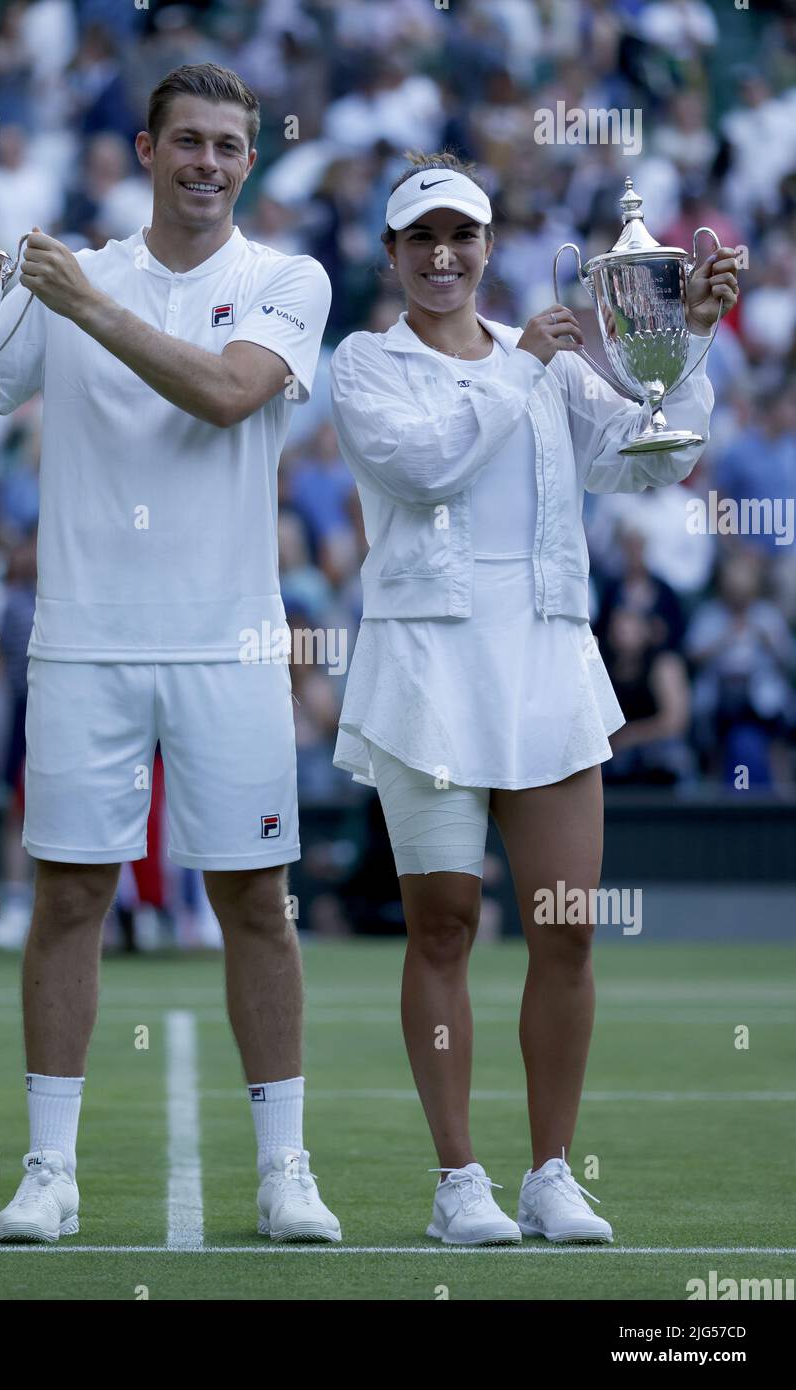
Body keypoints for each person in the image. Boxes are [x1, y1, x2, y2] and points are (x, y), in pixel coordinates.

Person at [0, 62, 341, 1245]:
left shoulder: (284, 278)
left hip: (230, 646)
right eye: (188, 142)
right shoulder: (68, 276)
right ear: (144, 149)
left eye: (229, 145)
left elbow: (226, 397)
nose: (209, 164)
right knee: (68, 898)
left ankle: (284, 1173)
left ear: (246, 161)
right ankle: (48, 1171)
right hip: (83, 644)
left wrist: (85, 309)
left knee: (255, 905)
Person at [329, 150, 738, 1245]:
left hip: (546, 661)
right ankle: (456, 1178)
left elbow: (652, 464)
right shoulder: (366, 365)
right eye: (420, 239)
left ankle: (549, 1171)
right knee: (444, 924)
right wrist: (522, 368)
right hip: (425, 669)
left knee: (564, 932)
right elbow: (421, 471)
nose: (442, 257)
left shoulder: (547, 363)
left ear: (486, 247)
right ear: (392, 256)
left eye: (459, 236)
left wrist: (681, 342)